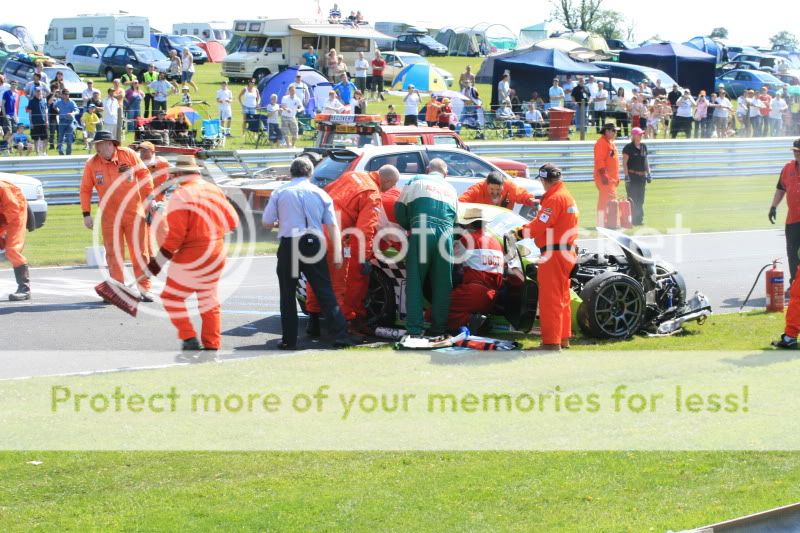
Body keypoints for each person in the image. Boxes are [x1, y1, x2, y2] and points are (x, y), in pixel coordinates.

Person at [146, 155, 239, 352]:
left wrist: (157, 263)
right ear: (196, 172)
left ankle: (189, 337)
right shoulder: (213, 189)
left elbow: (175, 238)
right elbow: (233, 222)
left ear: (179, 174)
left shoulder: (181, 195)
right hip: (216, 250)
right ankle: (212, 344)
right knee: (208, 300)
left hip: (192, 254)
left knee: (171, 297)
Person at [262, 156, 355, 349]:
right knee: (325, 291)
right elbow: (332, 225)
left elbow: (267, 222)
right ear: (311, 173)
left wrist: (281, 221)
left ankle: (289, 340)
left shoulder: (280, 191)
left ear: (291, 173)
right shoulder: (320, 193)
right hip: (313, 244)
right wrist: (337, 253)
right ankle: (340, 336)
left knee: (287, 294)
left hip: (290, 244)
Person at [304, 167, 396, 335]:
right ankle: (342, 329)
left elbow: (325, 194)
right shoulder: (372, 194)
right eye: (392, 185)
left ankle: (314, 320)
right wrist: (364, 258)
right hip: (336, 235)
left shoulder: (351, 175)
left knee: (316, 278)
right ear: (388, 181)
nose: (390, 189)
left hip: (315, 229)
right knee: (340, 284)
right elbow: (365, 231)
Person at [80, 130, 155, 301]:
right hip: (109, 215)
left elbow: (144, 174)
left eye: (99, 144)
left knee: (140, 252)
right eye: (95, 145)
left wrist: (149, 198)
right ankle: (118, 288)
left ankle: (145, 288)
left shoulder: (128, 154)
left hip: (134, 212)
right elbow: (85, 189)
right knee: (113, 253)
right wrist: (86, 213)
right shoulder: (91, 164)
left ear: (109, 144)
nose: (97, 148)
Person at [515, 164, 579, 350]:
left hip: (554, 253)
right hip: (566, 251)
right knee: (562, 296)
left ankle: (551, 343)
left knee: (550, 298)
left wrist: (520, 233)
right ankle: (563, 338)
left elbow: (538, 226)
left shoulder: (555, 199)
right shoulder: (566, 196)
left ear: (543, 180)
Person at [395, 158, 458, 337]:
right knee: (443, 285)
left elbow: (399, 208)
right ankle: (438, 328)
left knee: (415, 282)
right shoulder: (451, 189)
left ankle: (415, 329)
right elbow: (455, 219)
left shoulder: (416, 180)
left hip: (422, 230)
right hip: (446, 235)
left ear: (428, 169)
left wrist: (409, 225)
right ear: (445, 174)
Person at [447, 208, 505, 331]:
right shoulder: (496, 242)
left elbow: (448, 260)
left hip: (472, 293)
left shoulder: (468, 239)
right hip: (492, 297)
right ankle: (477, 320)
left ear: (469, 223)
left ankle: (471, 320)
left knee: (436, 310)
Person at [769, 138, 800, 286]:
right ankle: (795, 284)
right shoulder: (787, 168)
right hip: (793, 219)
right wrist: (773, 207)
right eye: (795, 152)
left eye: (798, 152)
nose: (796, 155)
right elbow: (781, 188)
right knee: (792, 253)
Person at [0, 176, 32, 301]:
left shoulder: (3, 187)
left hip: (16, 212)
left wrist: (5, 232)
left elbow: (12, 210)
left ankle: (24, 288)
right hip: (3, 214)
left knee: (12, 250)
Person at [459, 170, 537, 211]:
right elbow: (461, 202)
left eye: (498, 189)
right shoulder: (477, 190)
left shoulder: (510, 187)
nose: (495, 193)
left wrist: (532, 201)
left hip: (502, 225)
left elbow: (522, 195)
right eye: (491, 189)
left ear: (503, 185)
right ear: (486, 184)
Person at [622, 127, 651, 226]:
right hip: (632, 176)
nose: (641, 136)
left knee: (641, 199)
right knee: (632, 199)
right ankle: (632, 219)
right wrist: (626, 176)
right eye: (639, 134)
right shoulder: (628, 148)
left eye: (642, 134)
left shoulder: (644, 147)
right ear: (634, 136)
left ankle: (639, 219)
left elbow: (646, 161)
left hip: (642, 177)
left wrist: (649, 173)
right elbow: (624, 163)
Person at [593, 123, 620, 227]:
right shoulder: (601, 143)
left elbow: (613, 161)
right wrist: (604, 175)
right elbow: (599, 161)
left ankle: (609, 221)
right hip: (604, 178)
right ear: (607, 131)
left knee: (609, 200)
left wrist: (616, 178)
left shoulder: (610, 143)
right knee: (605, 200)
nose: (615, 133)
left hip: (611, 178)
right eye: (614, 130)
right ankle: (603, 222)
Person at [54, 89, 78, 155]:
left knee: (69, 138)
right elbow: (54, 106)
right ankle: (61, 152)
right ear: (62, 95)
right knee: (60, 137)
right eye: (65, 94)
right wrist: (58, 110)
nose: (66, 95)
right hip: (62, 121)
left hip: (70, 121)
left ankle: (68, 154)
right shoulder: (59, 102)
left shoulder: (72, 102)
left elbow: (77, 110)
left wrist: (72, 113)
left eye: (67, 94)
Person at [26, 87, 48, 155]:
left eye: (39, 91)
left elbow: (46, 112)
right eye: (37, 91)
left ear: (41, 92)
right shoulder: (31, 101)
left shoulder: (44, 101)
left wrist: (47, 121)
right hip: (35, 123)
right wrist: (31, 123)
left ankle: (44, 152)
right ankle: (37, 153)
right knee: (35, 139)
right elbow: (30, 113)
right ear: (35, 92)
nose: (38, 93)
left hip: (43, 122)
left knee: (46, 138)